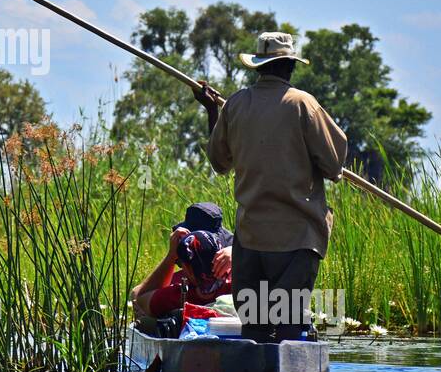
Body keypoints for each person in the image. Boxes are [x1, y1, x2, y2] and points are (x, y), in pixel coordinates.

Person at [195, 31, 347, 342]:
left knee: (256, 331)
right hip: (296, 240)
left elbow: (219, 162)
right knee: (289, 326)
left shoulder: (236, 105)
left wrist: (214, 112)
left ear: (259, 67)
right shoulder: (303, 105)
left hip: (251, 242)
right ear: (290, 67)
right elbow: (334, 167)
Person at [131, 202, 234, 325]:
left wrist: (171, 257)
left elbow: (138, 297)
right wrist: (239, 254)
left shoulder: (178, 292)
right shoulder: (238, 281)